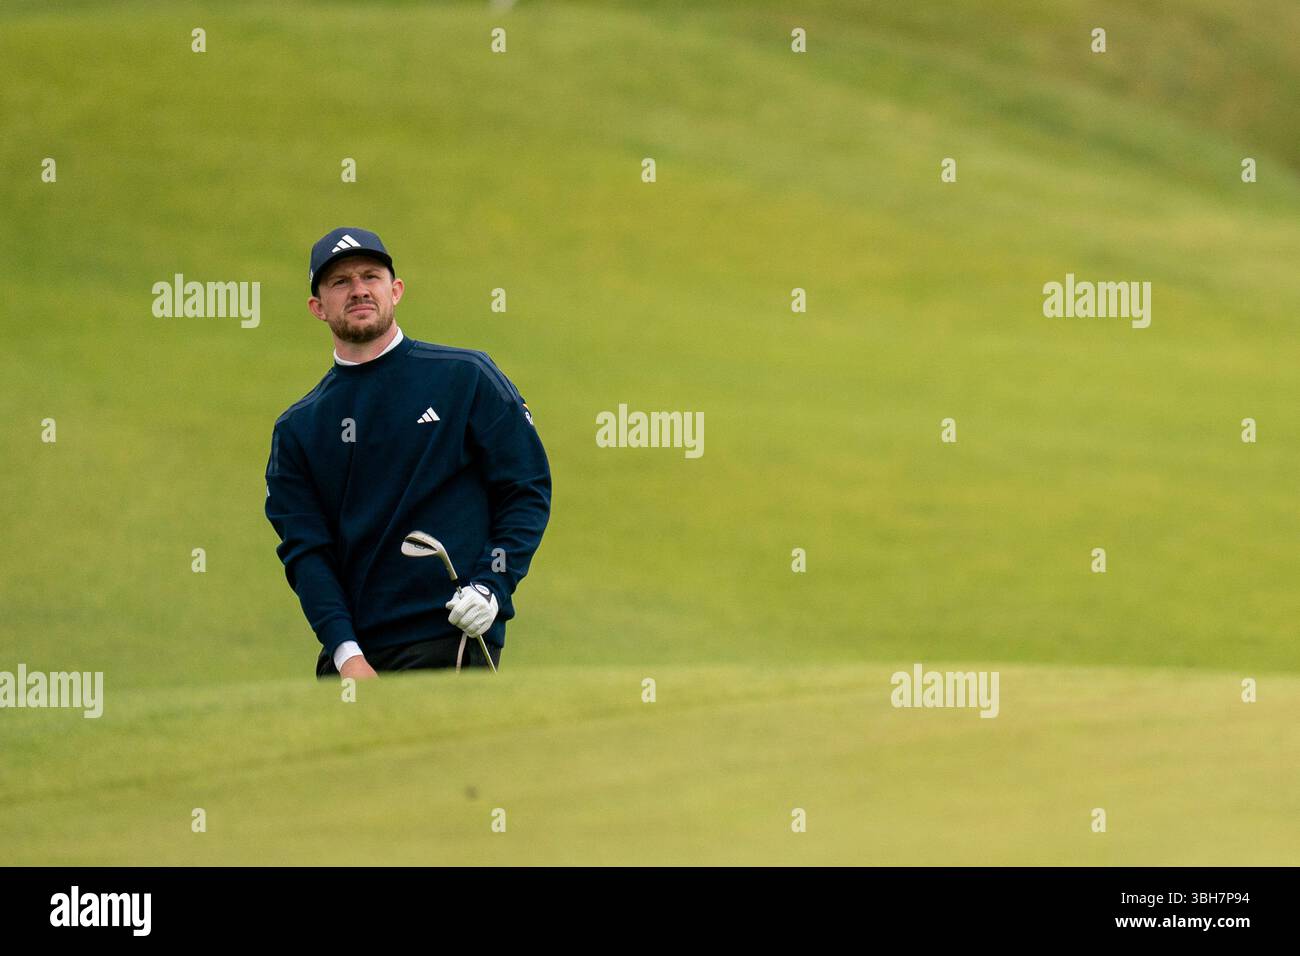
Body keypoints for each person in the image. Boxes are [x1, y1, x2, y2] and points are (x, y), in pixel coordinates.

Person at [265, 227, 551, 680]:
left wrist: (492, 586)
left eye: (370, 276)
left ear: (395, 290)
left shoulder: (466, 378)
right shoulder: (299, 429)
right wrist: (345, 653)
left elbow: (526, 489)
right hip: (353, 656)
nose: (358, 289)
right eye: (339, 282)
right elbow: (307, 553)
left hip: (450, 631)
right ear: (318, 308)